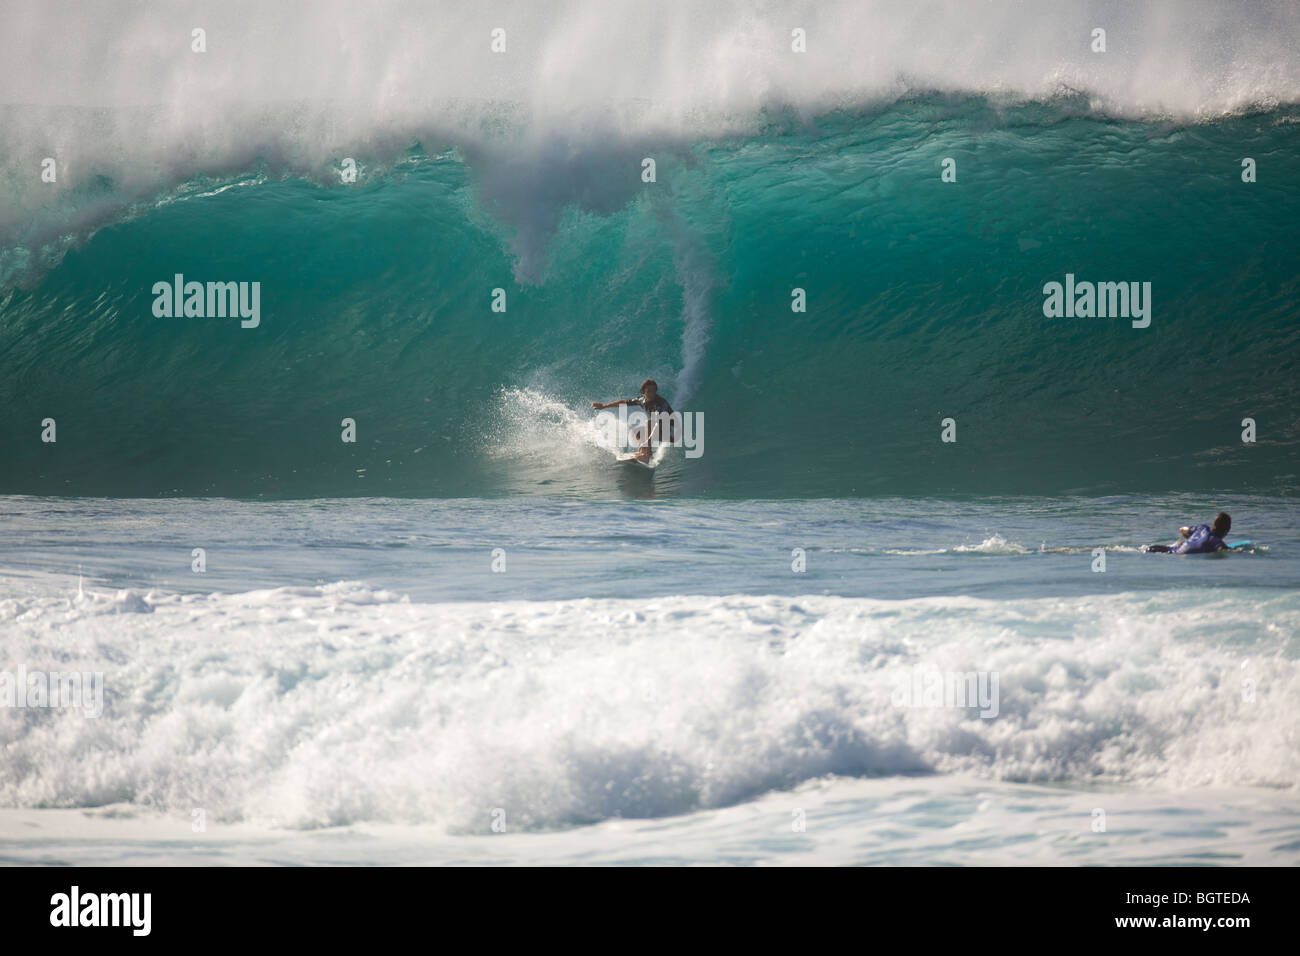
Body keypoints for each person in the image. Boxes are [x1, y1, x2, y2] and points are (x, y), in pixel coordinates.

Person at [592, 379, 674, 462]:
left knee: (649, 423)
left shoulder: (661, 403)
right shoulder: (642, 400)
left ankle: (646, 454)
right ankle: (644, 453)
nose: (651, 394)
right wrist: (604, 406)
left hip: (671, 433)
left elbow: (658, 424)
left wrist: (647, 441)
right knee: (636, 432)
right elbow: (623, 402)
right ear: (643, 392)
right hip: (661, 429)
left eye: (653, 391)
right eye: (648, 391)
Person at [1148, 512, 1231, 553]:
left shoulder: (1202, 528)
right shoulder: (1216, 541)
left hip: (1164, 549)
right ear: (1227, 529)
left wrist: (1190, 538)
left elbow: (1182, 529)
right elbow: (1223, 550)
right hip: (1177, 556)